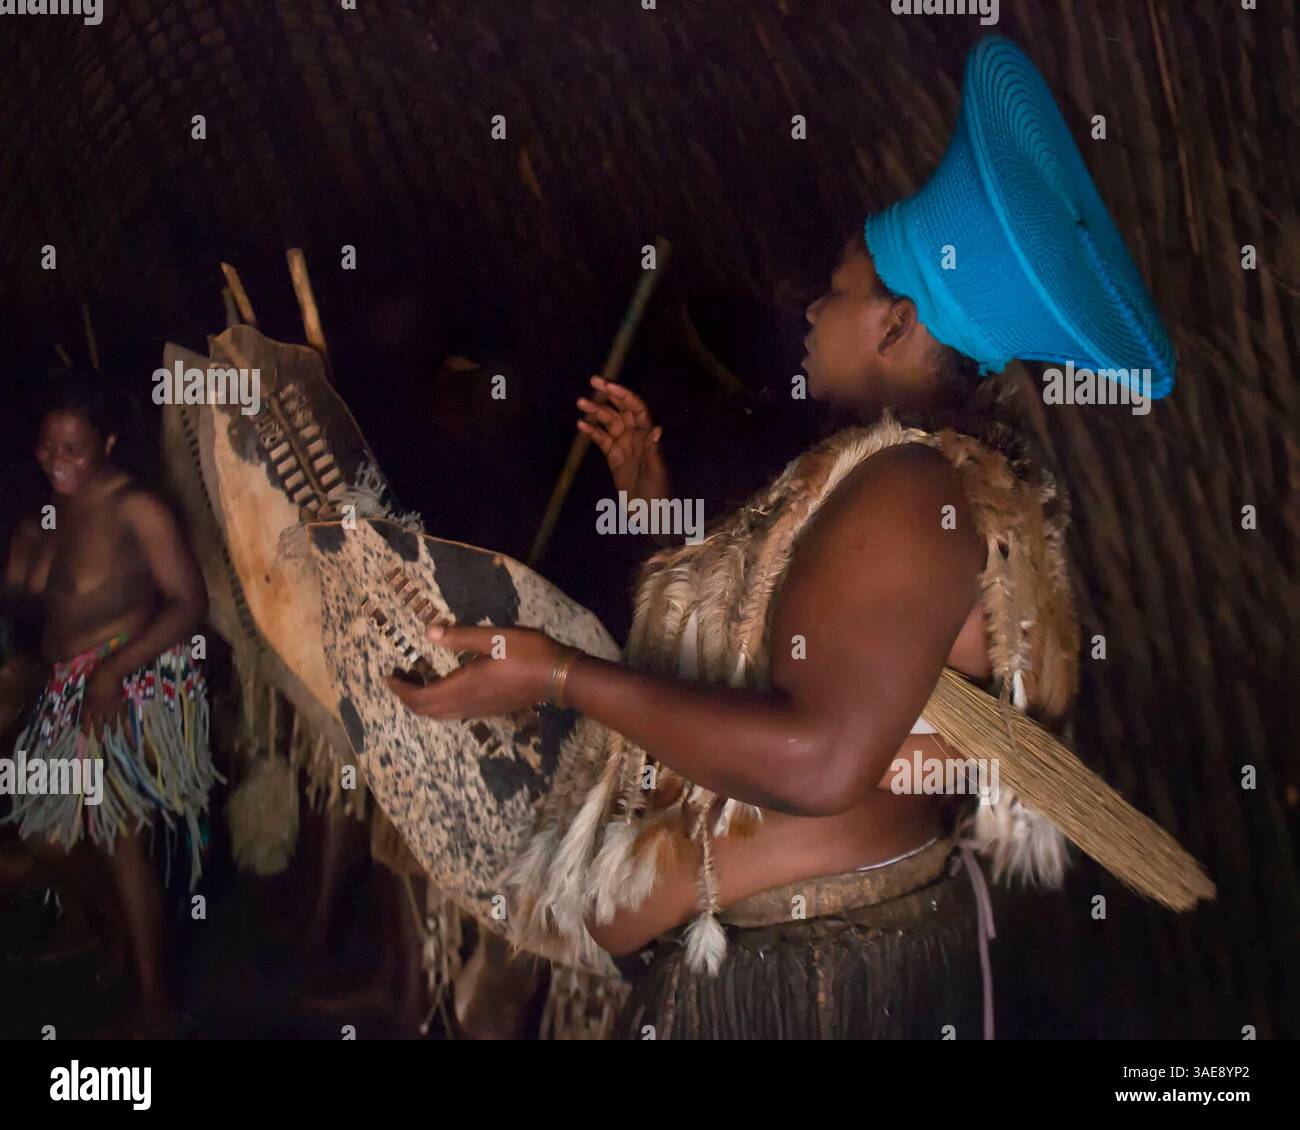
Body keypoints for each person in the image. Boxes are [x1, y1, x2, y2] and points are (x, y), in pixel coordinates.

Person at [386, 35, 1173, 1038]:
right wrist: (654, 498)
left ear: (895, 329)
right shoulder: (913, 476)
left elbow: (820, 759)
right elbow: (802, 638)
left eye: (837, 290)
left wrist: (557, 677)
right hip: (824, 943)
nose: (811, 307)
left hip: (806, 982)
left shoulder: (912, 488)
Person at [1, 367, 213, 1037]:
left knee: (120, 838)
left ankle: (156, 1006)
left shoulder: (135, 507)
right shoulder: (49, 511)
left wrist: (113, 671)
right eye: (48, 447)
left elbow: (189, 604)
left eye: (74, 449)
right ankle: (115, 934)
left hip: (128, 678)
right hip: (68, 686)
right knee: (41, 830)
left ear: (110, 442)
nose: (57, 462)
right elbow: (33, 605)